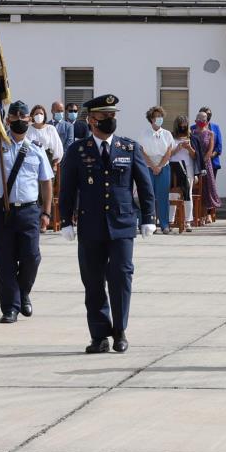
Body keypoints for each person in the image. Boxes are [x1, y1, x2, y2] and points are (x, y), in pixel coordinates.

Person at [58, 94, 157, 354]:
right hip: (91, 225)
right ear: (91, 120)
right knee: (93, 281)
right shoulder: (77, 150)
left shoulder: (129, 147)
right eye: (105, 116)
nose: (110, 120)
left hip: (123, 223)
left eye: (113, 115)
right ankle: (99, 335)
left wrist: (148, 217)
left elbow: (144, 185)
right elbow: (67, 189)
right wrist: (65, 220)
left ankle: (121, 331)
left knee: (121, 277)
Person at [0, 101, 54, 324]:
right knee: (4, 260)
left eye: (24, 118)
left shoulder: (36, 149)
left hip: (29, 210)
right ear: (8, 120)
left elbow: (46, 182)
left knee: (31, 256)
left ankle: (23, 292)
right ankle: (10, 307)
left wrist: (46, 212)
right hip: (0, 209)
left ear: (30, 121)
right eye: (15, 118)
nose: (20, 121)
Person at [136, 106, 176, 234]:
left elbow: (169, 151)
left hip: (163, 167)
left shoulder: (167, 134)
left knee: (163, 197)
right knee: (148, 196)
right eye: (156, 117)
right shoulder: (144, 133)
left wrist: (160, 166)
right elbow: (142, 151)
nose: (159, 119)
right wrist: (153, 166)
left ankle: (164, 225)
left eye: (161, 116)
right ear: (151, 119)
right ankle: (147, 224)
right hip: (148, 167)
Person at [168, 116, 200, 231]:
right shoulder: (170, 137)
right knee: (172, 194)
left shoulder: (192, 137)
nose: (183, 126)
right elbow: (168, 154)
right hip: (172, 167)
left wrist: (189, 148)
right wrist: (178, 148)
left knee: (187, 193)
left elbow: (196, 156)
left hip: (187, 168)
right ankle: (170, 221)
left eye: (185, 124)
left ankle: (188, 221)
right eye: (180, 124)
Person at [192, 110, 221, 221]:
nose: (201, 121)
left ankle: (207, 214)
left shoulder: (210, 133)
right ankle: (197, 214)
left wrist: (203, 160)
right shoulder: (192, 132)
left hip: (206, 163)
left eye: (204, 119)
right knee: (196, 188)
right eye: (199, 119)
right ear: (195, 120)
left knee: (207, 188)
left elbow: (211, 149)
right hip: (195, 162)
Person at [199, 106, 223, 174]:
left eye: (210, 114)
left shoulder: (216, 127)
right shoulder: (193, 128)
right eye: (207, 114)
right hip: (199, 162)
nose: (208, 116)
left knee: (211, 183)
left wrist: (211, 155)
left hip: (213, 162)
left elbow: (219, 146)